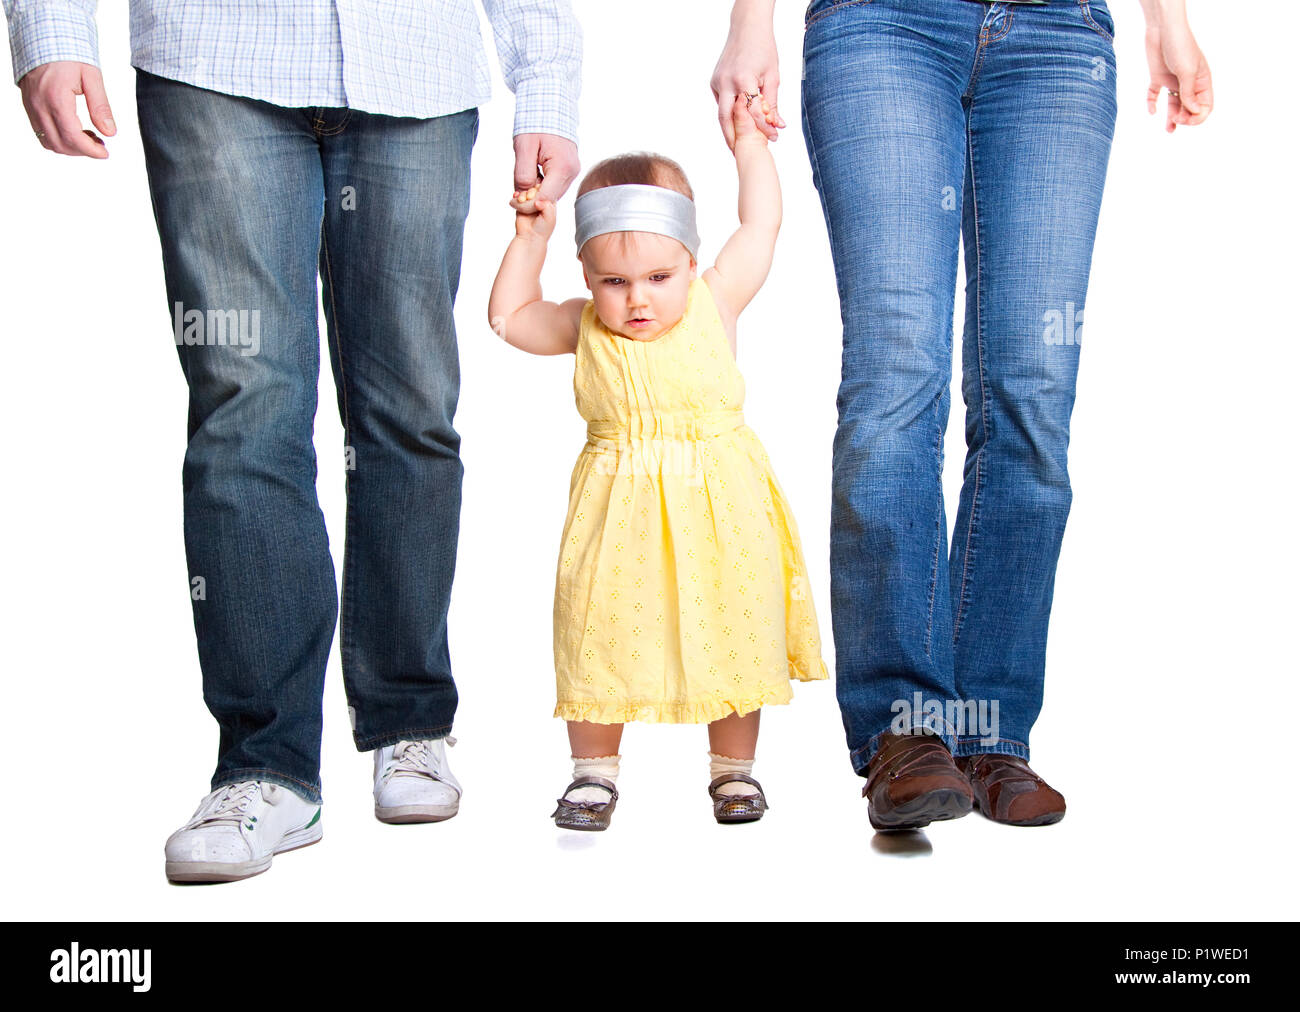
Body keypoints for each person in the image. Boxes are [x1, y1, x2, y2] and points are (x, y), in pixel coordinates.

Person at [4, 0, 582, 881]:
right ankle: (265, 767)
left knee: (412, 408)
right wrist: (52, 32)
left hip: (415, 68)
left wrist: (547, 83)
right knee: (244, 408)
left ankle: (410, 721)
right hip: (213, 59)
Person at [711, 0, 1213, 830]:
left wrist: (1168, 18)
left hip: (1059, 37)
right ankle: (904, 733)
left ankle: (990, 733)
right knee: (895, 376)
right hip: (883, 24)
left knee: (1035, 394)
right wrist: (750, 20)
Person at [487, 96, 829, 831]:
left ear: (688, 261)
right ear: (587, 273)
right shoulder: (581, 328)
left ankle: (734, 773)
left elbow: (762, 223)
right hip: (617, 515)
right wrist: (530, 239)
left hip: (720, 503)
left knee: (733, 624)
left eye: (657, 278)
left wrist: (747, 145)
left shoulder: (715, 301)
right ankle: (592, 775)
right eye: (613, 282)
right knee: (598, 628)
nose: (636, 298)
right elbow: (508, 318)